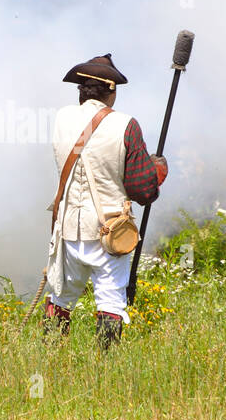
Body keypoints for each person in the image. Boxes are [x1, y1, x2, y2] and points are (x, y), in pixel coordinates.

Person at [44, 54, 167, 348]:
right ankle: (104, 367)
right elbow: (141, 189)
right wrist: (157, 172)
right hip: (110, 233)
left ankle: (48, 358)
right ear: (110, 90)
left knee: (60, 297)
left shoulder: (61, 119)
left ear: (81, 90)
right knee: (111, 301)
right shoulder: (126, 124)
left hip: (68, 230)